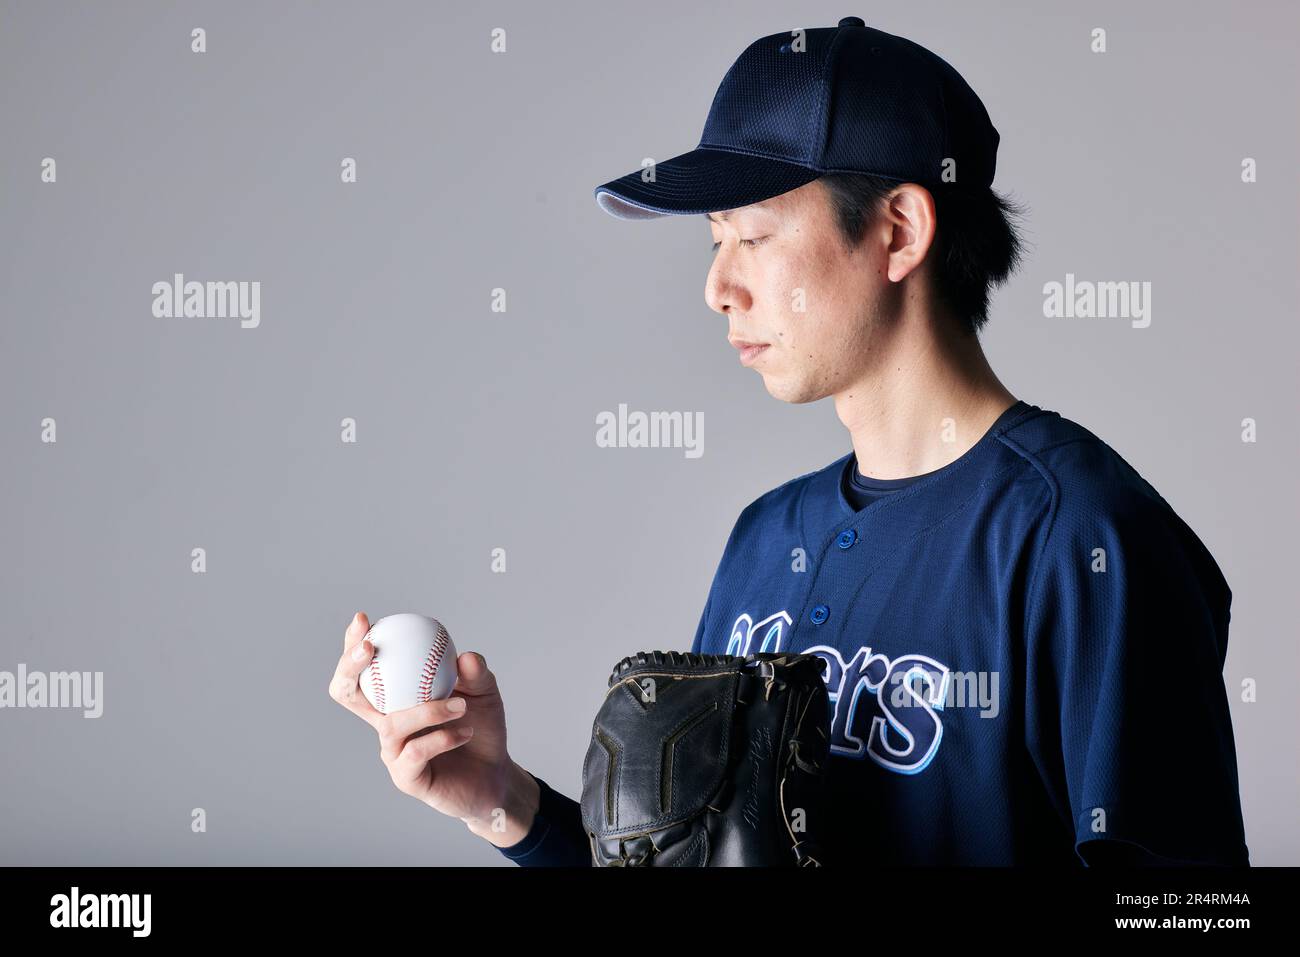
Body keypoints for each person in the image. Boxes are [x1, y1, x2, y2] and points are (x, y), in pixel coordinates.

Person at [328, 18, 1249, 866]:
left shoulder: (1083, 537)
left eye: (754, 235)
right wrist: (503, 802)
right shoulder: (765, 538)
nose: (718, 286)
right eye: (713, 240)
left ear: (898, 230)